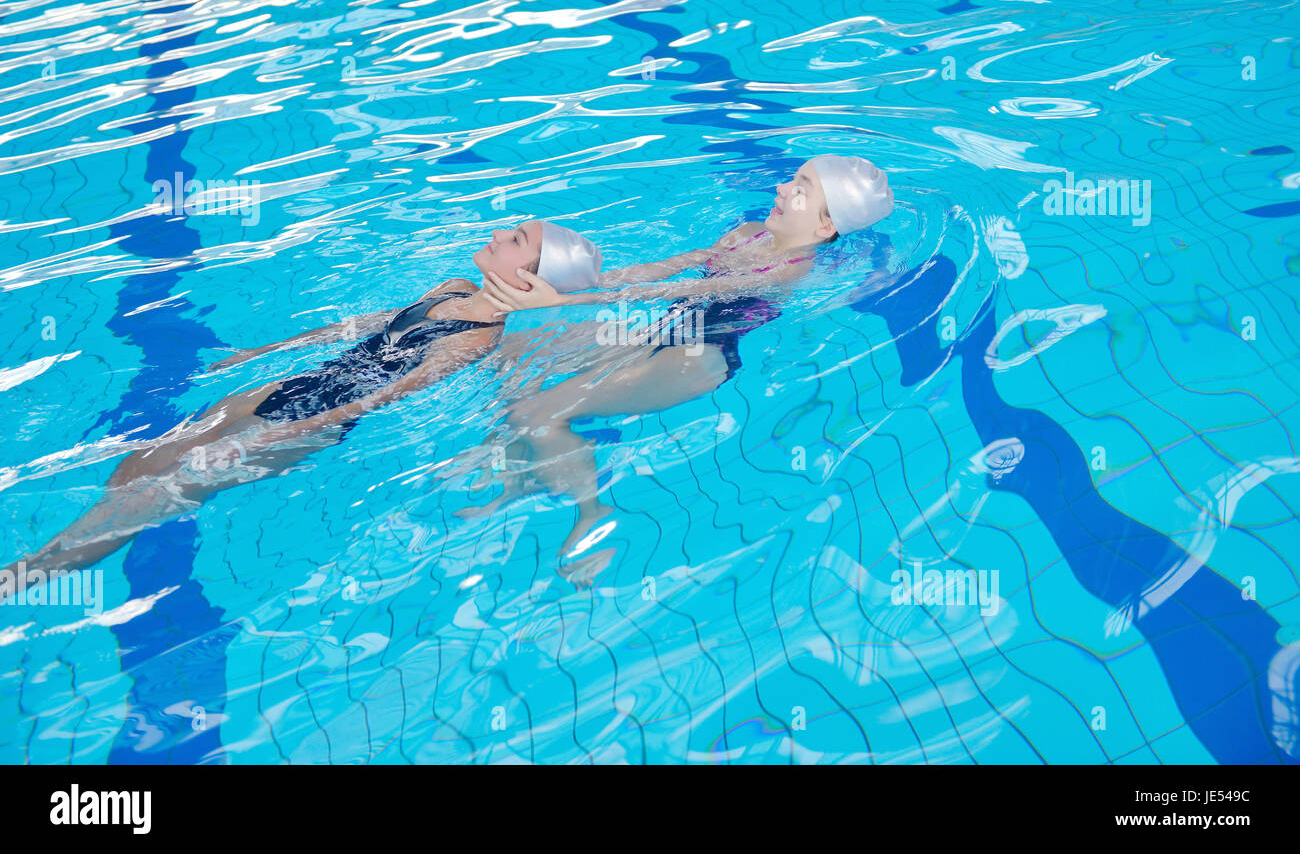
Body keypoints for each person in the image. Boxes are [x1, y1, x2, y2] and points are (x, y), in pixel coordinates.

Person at [0, 220, 603, 597]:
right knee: (143, 463)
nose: (499, 232)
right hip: (299, 384)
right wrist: (270, 350)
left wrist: (277, 435)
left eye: (516, 240)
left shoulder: (480, 335)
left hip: (315, 420)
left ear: (526, 277)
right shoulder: (454, 289)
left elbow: (388, 393)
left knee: (164, 493)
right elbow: (370, 325)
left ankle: (30, 575)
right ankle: (54, 551)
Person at [473, 156, 895, 584]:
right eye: (791, 179)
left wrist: (564, 304)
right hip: (659, 331)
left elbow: (690, 288)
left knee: (538, 413)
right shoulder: (748, 234)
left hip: (696, 359)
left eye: (800, 188)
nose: (783, 188)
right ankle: (513, 464)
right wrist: (586, 280)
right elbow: (670, 268)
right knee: (515, 348)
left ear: (826, 226)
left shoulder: (793, 269)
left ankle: (590, 513)